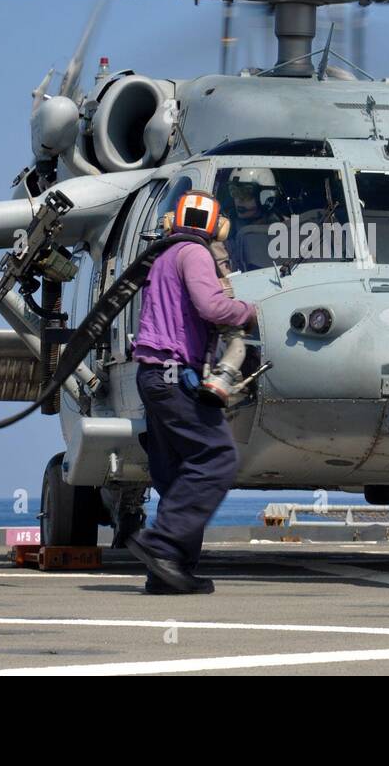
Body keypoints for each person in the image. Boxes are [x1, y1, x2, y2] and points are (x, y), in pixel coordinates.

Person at [128, 190, 256, 594]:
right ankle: (162, 544)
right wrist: (250, 312)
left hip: (151, 376)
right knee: (216, 457)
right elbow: (213, 308)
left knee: (175, 475)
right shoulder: (195, 253)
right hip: (173, 374)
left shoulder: (163, 255)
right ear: (217, 226)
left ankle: (167, 573)